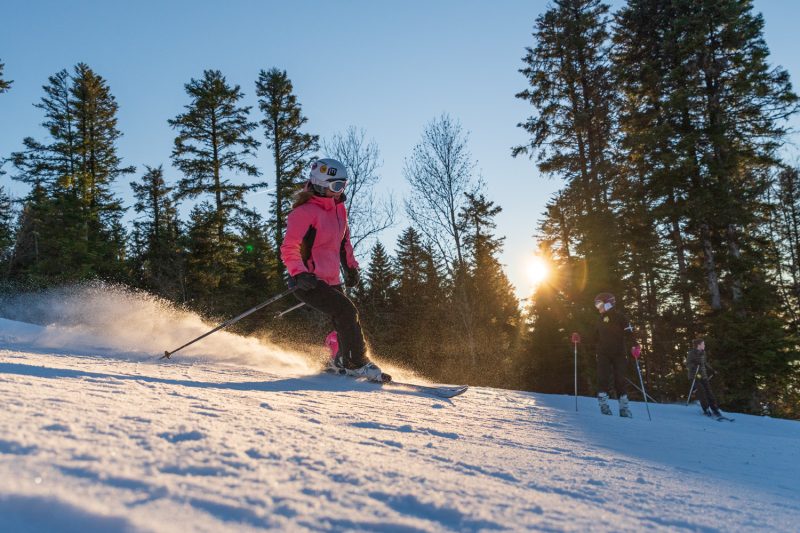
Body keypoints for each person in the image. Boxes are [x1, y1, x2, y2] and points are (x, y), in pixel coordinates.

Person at [280, 158, 385, 382]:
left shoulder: (339, 210)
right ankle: (355, 363)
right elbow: (289, 247)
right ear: (320, 184)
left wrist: (351, 268)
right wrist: (298, 273)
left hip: (330, 278)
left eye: (343, 186)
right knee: (346, 312)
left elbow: (343, 242)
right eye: (336, 186)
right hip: (308, 281)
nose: (340, 192)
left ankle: (337, 358)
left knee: (343, 319)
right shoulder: (304, 213)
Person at [593, 292, 638, 418]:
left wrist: (635, 345)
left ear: (608, 304)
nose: (598, 308)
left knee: (620, 380)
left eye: (599, 304)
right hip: (603, 353)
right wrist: (579, 339)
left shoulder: (621, 317)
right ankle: (603, 405)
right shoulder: (600, 319)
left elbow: (629, 333)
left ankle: (624, 408)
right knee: (603, 378)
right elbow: (594, 337)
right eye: (596, 305)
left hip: (619, 353)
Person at [687, 338, 721, 418]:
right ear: (699, 345)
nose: (704, 345)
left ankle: (715, 409)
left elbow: (705, 363)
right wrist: (694, 364)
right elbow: (688, 364)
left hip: (704, 376)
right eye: (703, 344)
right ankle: (706, 409)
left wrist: (712, 370)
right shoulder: (691, 353)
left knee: (709, 392)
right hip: (695, 376)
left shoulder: (703, 353)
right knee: (702, 392)